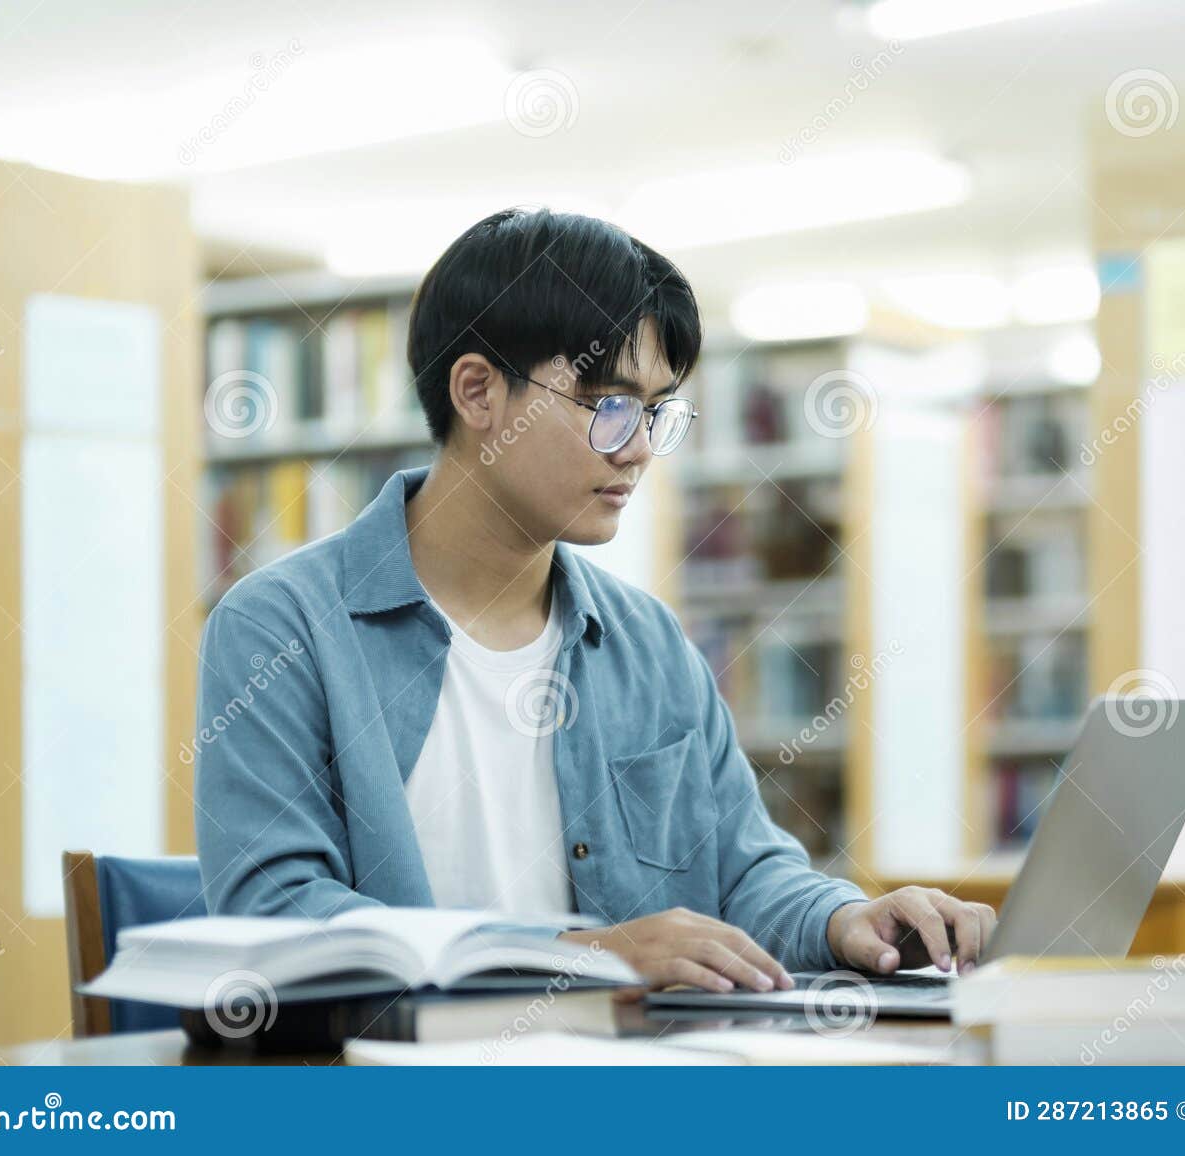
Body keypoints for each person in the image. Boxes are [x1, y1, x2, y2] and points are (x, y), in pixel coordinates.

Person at [194, 207, 995, 991]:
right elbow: (279, 914)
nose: (641, 449)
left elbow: (744, 869)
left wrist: (842, 920)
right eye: (610, 407)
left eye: (655, 413)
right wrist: (579, 951)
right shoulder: (282, 628)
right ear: (478, 394)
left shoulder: (648, 641)